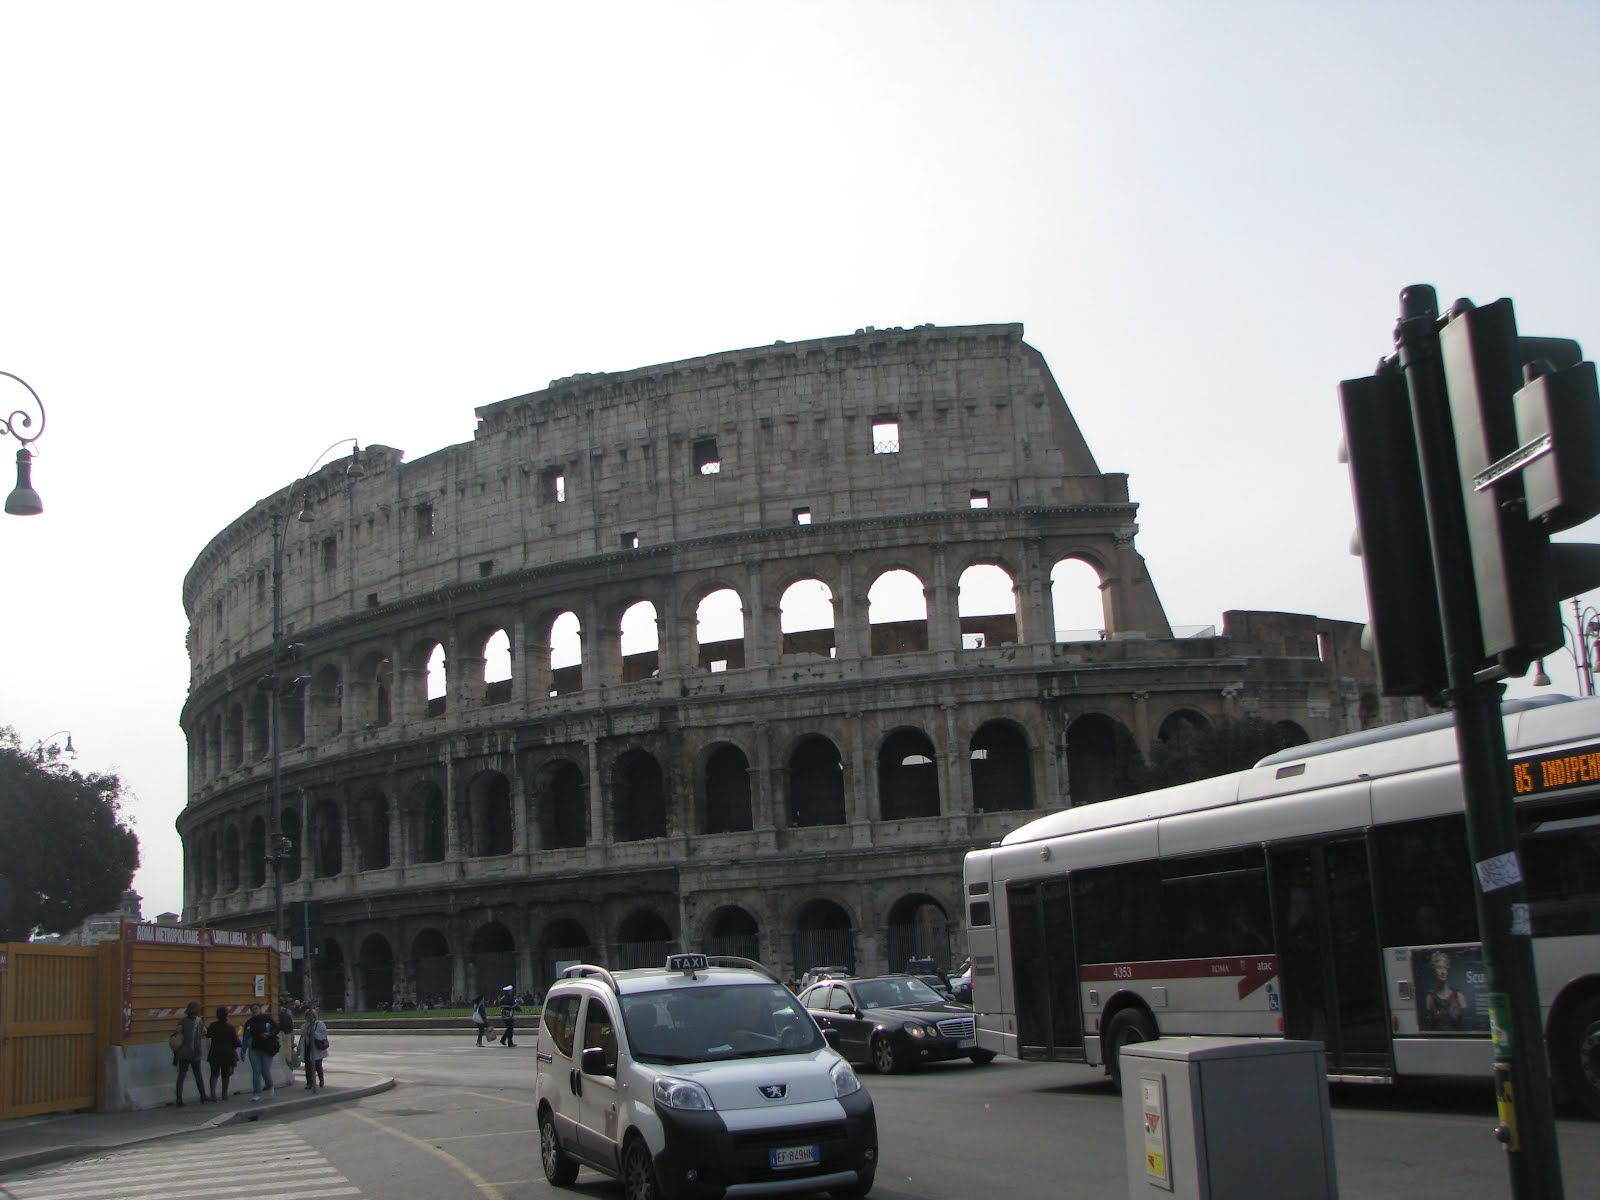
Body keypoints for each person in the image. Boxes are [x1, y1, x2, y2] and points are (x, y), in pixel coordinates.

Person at [1423, 949, 1470, 1031]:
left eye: (1445, 967)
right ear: (1433, 970)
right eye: (1439, 968)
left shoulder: (1458, 996)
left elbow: (1466, 1026)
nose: (1443, 972)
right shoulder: (1430, 997)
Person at [242, 1002, 282, 1100]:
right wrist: (243, 1051)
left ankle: (270, 1086)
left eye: (256, 1009)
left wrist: (269, 1034)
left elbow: (276, 1029)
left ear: (260, 1009)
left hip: (266, 1048)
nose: (254, 1011)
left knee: (265, 1070)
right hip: (254, 1048)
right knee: (256, 1071)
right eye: (252, 1009)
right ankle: (256, 1093)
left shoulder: (267, 1019)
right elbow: (245, 1037)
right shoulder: (249, 1022)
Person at [172, 1000, 207, 1106]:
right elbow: (203, 1033)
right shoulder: (199, 1021)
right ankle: (203, 1096)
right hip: (195, 1052)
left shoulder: (182, 1021)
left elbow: (177, 1035)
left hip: (183, 1052)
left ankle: (179, 1099)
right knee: (198, 1075)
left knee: (181, 1076)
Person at [206, 1006, 242, 1101]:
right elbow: (236, 1042)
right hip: (227, 1054)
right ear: (226, 1015)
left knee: (214, 1074)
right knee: (225, 1074)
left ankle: (213, 1094)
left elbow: (208, 1035)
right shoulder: (230, 1027)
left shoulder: (213, 1025)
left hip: (214, 1052)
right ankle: (224, 1093)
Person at [298, 1007, 331, 1091]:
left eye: (310, 1015)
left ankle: (321, 1080)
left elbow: (323, 1035)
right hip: (307, 1047)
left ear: (314, 1016)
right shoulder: (304, 1025)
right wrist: (299, 1050)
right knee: (308, 1066)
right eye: (307, 1015)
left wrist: (313, 1033)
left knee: (317, 1066)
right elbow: (302, 1038)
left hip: (316, 1048)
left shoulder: (319, 1024)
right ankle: (309, 1083)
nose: (308, 1017)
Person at [278, 1001, 298, 1072]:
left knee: (286, 1057)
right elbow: (290, 1028)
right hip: (287, 1037)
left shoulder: (282, 1014)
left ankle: (288, 1070)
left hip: (284, 1037)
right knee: (288, 1057)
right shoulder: (287, 1013)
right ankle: (289, 1070)